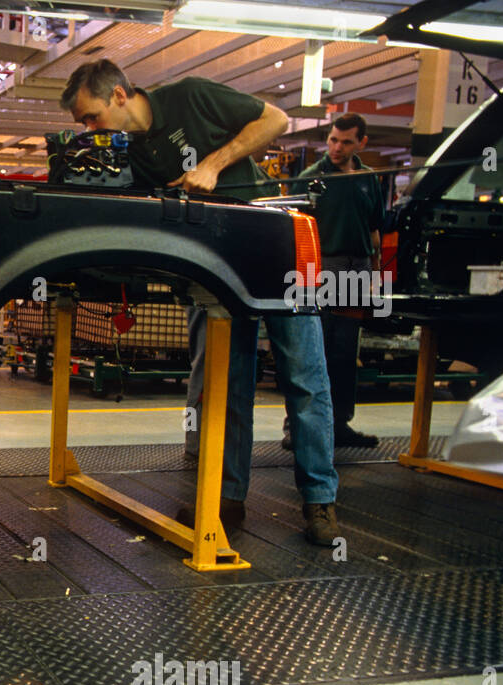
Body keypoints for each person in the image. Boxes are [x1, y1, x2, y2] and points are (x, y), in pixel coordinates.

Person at [60, 60, 341, 545]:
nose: (90, 129)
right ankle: (226, 497)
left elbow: (276, 120)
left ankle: (320, 501)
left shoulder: (189, 96)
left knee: (304, 378)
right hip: (213, 267)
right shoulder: (132, 156)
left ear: (120, 96)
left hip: (273, 247)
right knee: (224, 385)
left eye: (92, 117)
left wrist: (213, 163)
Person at [283, 113, 386, 451]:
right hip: (322, 268)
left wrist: (375, 274)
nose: (337, 148)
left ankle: (339, 424)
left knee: (344, 353)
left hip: (357, 270)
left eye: (346, 142)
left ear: (362, 143)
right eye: (333, 140)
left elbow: (375, 229)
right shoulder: (312, 179)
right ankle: (295, 427)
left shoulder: (371, 179)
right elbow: (294, 229)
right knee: (314, 351)